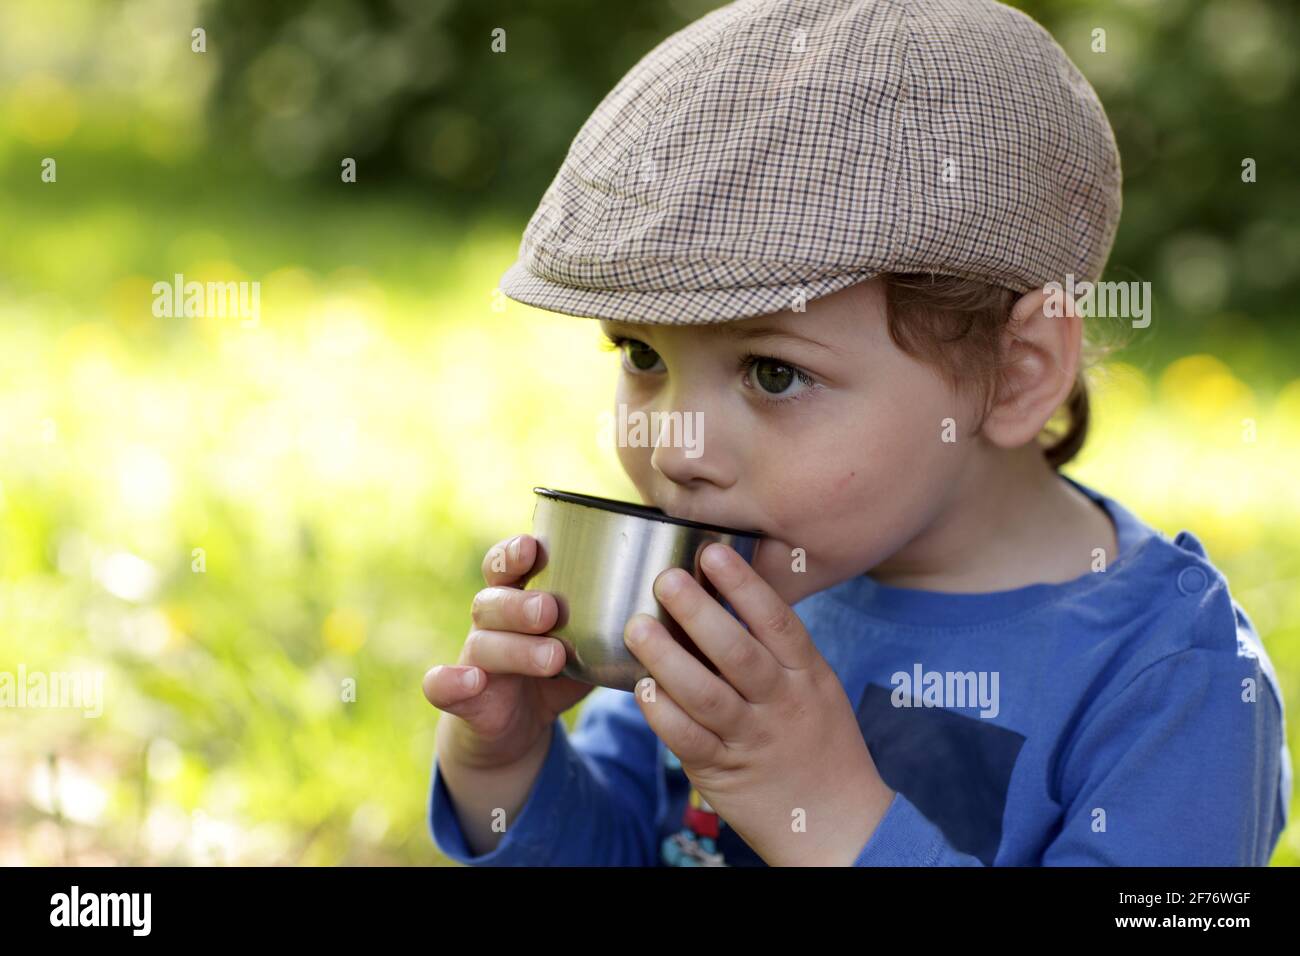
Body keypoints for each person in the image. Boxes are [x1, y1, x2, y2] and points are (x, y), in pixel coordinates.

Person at [422, 0, 1291, 866]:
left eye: (773, 373)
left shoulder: (1175, 686)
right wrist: (504, 765)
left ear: (1018, 371)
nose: (679, 449)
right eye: (643, 353)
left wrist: (829, 815)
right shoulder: (727, 600)